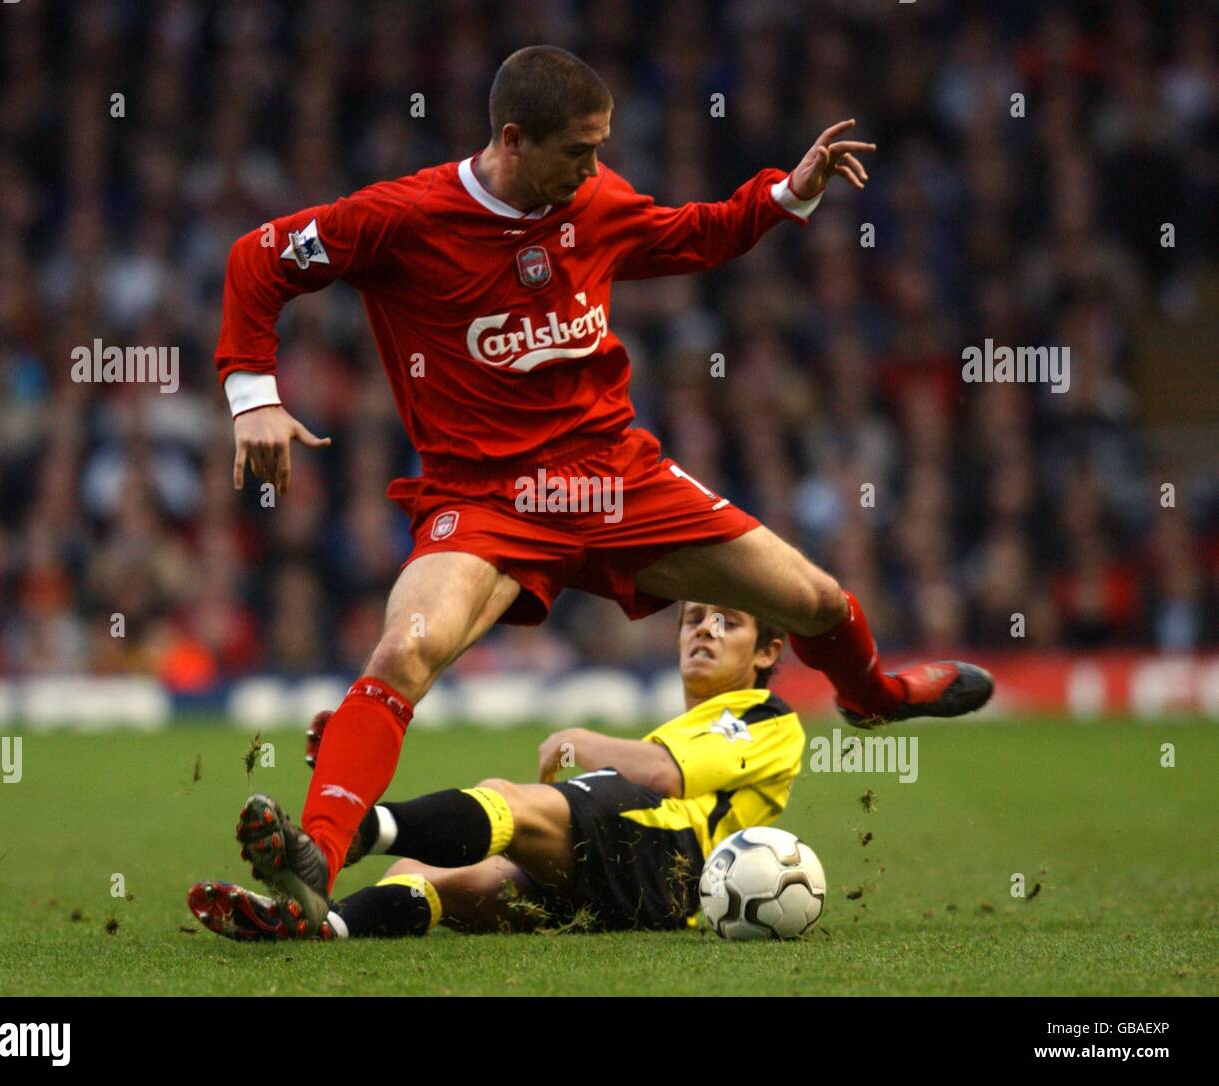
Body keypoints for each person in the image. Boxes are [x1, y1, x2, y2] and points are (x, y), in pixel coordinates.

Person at [215, 45, 992, 936]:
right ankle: (315, 855)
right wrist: (254, 397)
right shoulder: (402, 217)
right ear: (514, 139)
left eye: (601, 148)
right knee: (403, 652)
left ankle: (875, 698)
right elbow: (257, 259)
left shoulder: (593, 199)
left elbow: (689, 235)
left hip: (615, 478)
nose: (595, 167)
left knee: (814, 598)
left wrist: (786, 193)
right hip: (488, 497)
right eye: (579, 150)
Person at [191, 602, 803, 940]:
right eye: (693, 618)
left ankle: (348, 831)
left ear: (769, 651)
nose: (703, 629)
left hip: (676, 859)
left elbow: (665, 777)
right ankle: (320, 925)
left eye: (727, 620)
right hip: (637, 891)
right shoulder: (689, 727)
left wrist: (578, 738)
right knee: (438, 877)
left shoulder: (766, 719)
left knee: (506, 799)